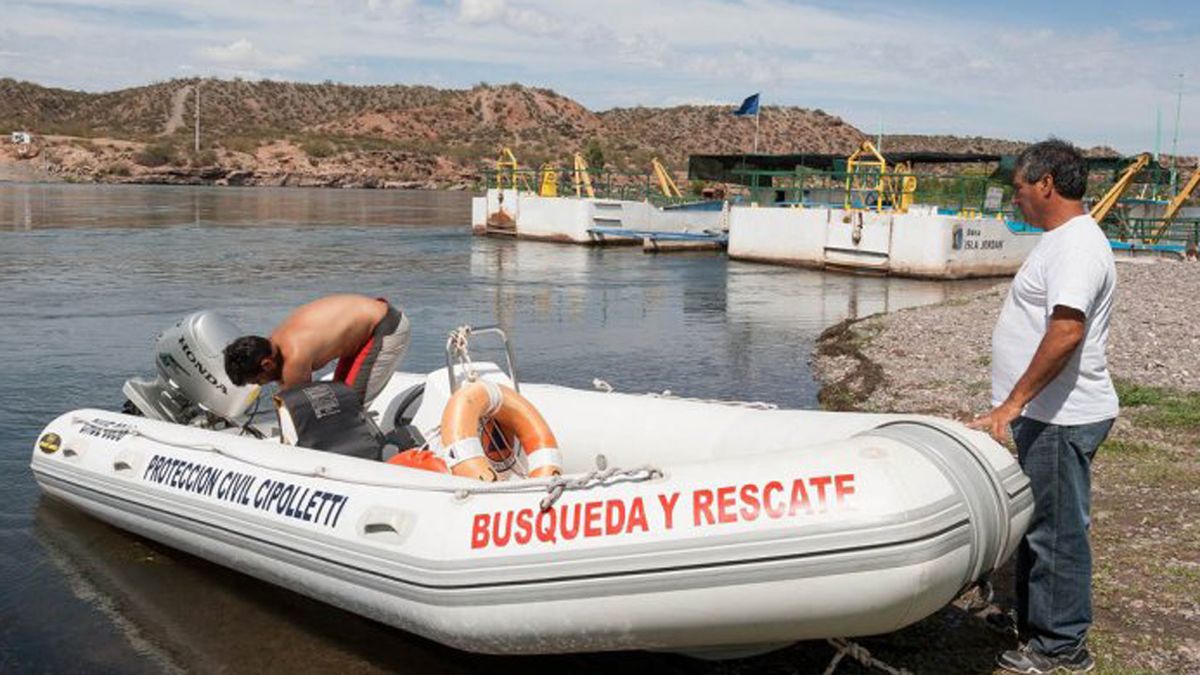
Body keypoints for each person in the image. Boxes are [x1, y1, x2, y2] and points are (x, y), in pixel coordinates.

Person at [968, 139, 1118, 674]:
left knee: (1056, 532)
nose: (1016, 200)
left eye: (1019, 189)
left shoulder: (1076, 246)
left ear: (1046, 184)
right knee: (1038, 523)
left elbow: (1066, 330)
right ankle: (1030, 622)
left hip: (1062, 414)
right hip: (1048, 412)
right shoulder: (1063, 240)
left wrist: (1012, 404)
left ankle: (1062, 648)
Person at [223, 294, 409, 406]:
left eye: (258, 380)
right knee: (341, 399)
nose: (260, 385)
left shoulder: (293, 359)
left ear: (267, 364)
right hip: (366, 325)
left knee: (350, 404)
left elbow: (301, 412)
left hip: (384, 327)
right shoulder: (274, 342)